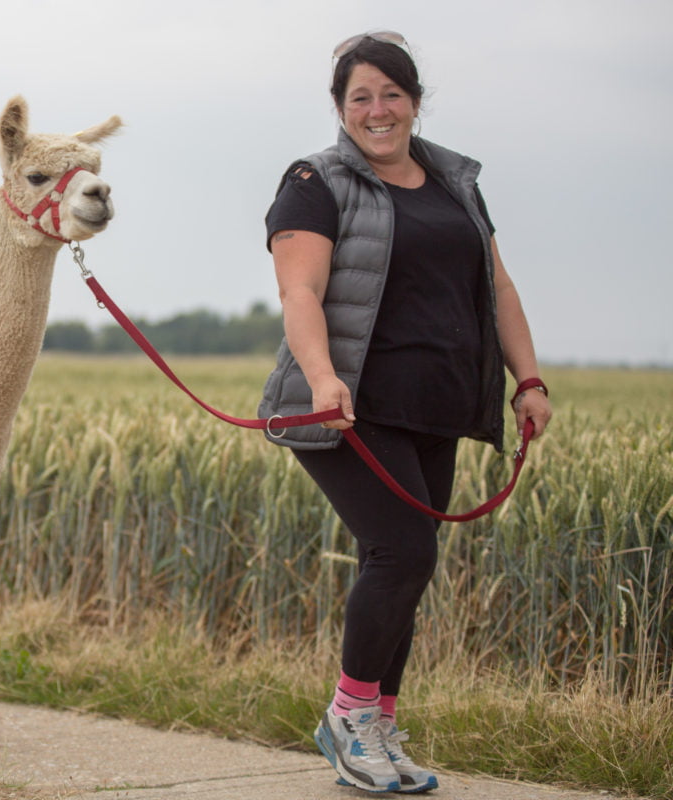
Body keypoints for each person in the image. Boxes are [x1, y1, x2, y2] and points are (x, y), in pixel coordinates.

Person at [258, 31, 552, 794]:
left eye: (392, 94)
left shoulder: (456, 183)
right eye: (361, 97)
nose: (378, 110)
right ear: (339, 108)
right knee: (404, 553)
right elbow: (301, 295)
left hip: (435, 405)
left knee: (405, 565)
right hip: (347, 405)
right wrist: (322, 377)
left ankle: (379, 725)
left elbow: (500, 287)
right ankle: (350, 720)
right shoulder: (314, 181)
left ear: (416, 102)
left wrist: (528, 380)